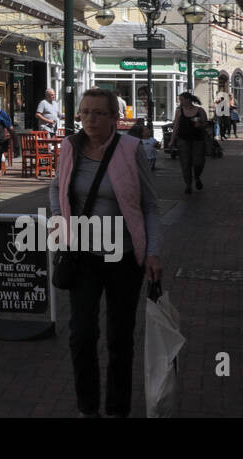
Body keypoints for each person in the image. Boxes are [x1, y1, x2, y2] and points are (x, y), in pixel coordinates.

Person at [50, 87, 163, 418]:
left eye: (98, 113)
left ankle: (117, 410)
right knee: (81, 335)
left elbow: (150, 205)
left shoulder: (130, 149)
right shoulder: (70, 147)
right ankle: (88, 408)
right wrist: (60, 224)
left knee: (119, 338)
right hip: (82, 254)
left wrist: (153, 252)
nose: (90, 119)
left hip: (123, 256)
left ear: (116, 118)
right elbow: (56, 188)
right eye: (84, 112)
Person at [171, 92, 209, 194]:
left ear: (188, 100)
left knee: (199, 162)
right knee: (185, 163)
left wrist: (200, 125)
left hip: (198, 140)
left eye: (182, 99)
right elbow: (176, 126)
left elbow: (206, 125)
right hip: (183, 140)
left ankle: (197, 177)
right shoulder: (179, 111)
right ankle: (188, 184)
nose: (180, 102)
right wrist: (172, 140)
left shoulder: (200, 111)